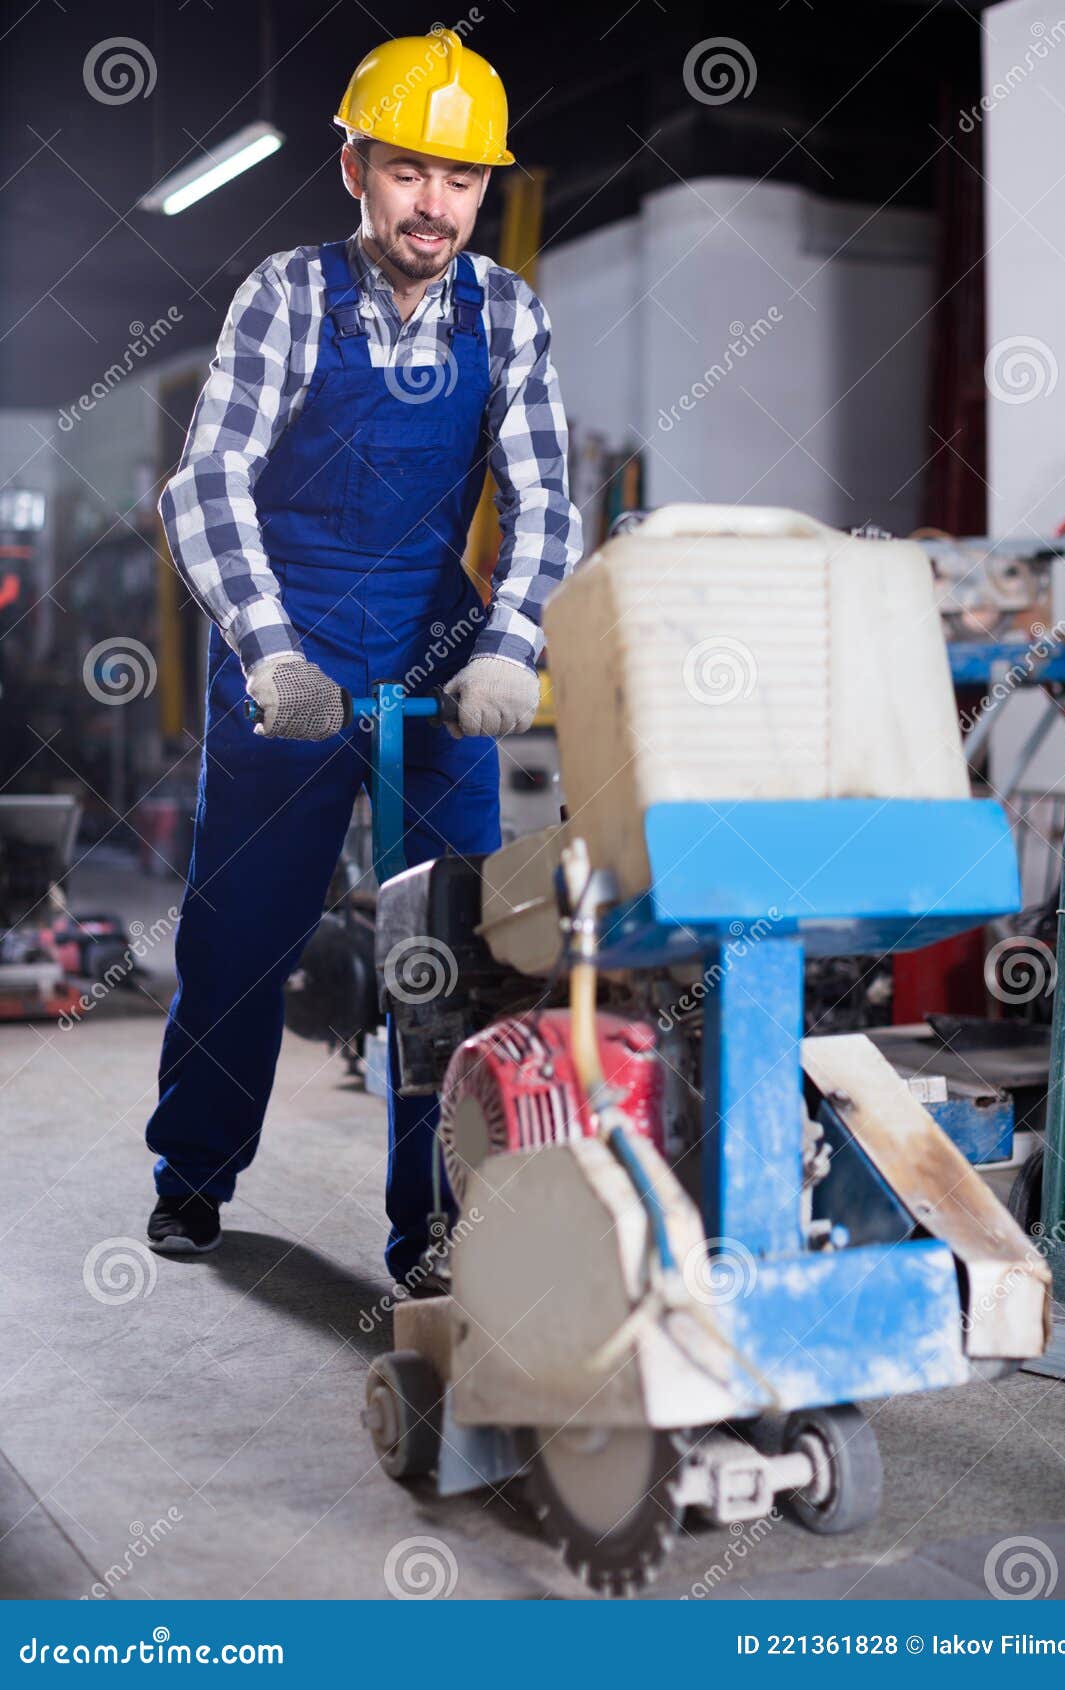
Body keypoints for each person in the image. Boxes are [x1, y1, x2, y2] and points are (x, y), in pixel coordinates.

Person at [145, 29, 582, 1279]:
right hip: (289, 647)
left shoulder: (506, 314)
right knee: (241, 934)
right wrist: (272, 654)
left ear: (481, 188)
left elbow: (544, 494)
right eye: (407, 172)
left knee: (450, 952)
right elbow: (207, 482)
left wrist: (508, 645)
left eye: (459, 179)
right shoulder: (288, 297)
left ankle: (434, 1220)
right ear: (354, 168)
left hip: (439, 656)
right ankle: (193, 1174)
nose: (434, 203)